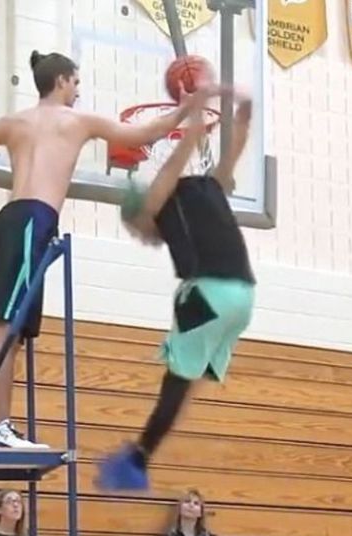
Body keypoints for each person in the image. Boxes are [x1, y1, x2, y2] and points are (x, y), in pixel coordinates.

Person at [0, 50, 217, 448]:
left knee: (10, 331)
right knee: (5, 327)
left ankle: (0, 425)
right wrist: (187, 107)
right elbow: (144, 134)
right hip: (31, 220)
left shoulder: (13, 122)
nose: (78, 91)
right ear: (63, 80)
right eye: (77, 82)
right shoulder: (76, 121)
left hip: (11, 222)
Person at [96, 79, 254, 490]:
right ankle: (144, 454)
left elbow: (176, 160)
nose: (142, 236)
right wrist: (244, 109)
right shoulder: (214, 186)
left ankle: (139, 459)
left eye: (136, 230)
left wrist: (197, 110)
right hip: (244, 297)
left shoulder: (156, 202)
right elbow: (236, 141)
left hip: (207, 294)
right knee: (187, 384)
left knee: (175, 383)